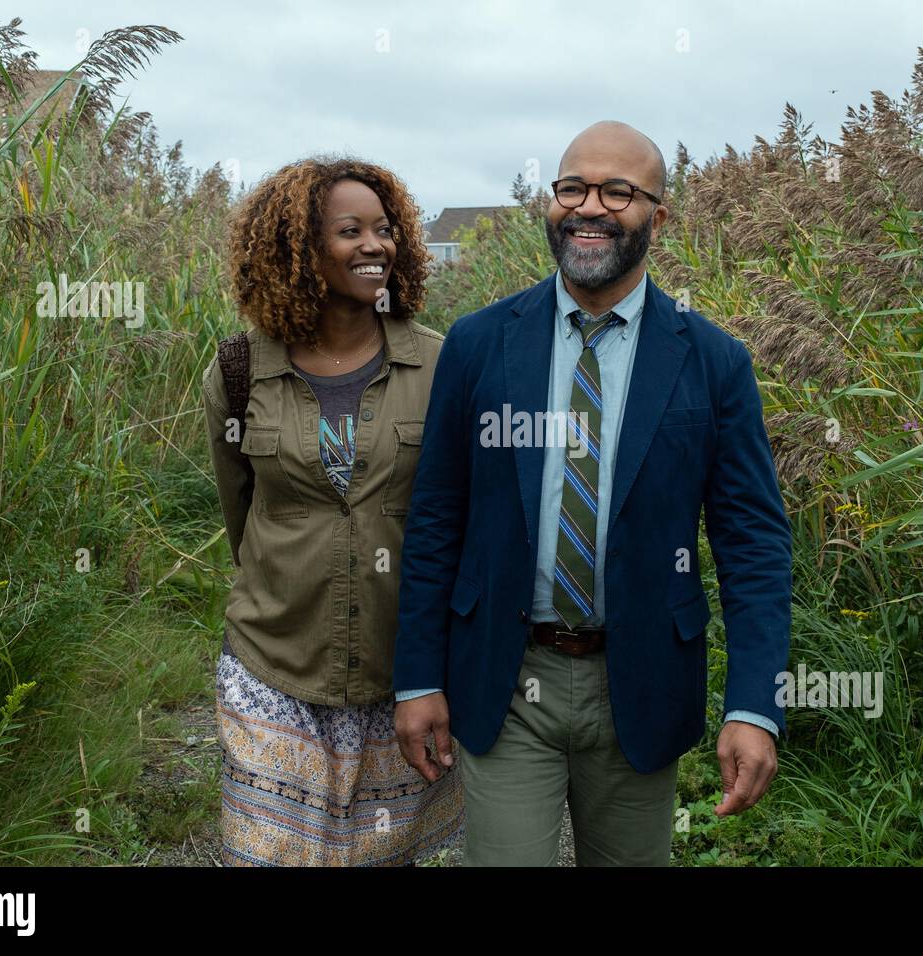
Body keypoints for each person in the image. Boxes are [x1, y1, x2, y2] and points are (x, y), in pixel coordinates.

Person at [392, 121, 792, 866]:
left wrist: (753, 705)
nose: (590, 207)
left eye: (619, 191)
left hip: (639, 679)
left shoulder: (711, 361)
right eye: (572, 187)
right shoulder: (479, 344)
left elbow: (753, 544)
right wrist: (416, 677)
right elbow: (437, 518)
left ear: (658, 217)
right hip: (506, 677)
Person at [203, 156, 464, 866]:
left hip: (398, 671)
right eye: (350, 230)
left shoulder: (444, 367)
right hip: (272, 661)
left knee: (380, 857)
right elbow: (242, 512)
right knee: (269, 856)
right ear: (297, 248)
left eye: (385, 230)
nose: (374, 245)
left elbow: (458, 520)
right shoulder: (238, 371)